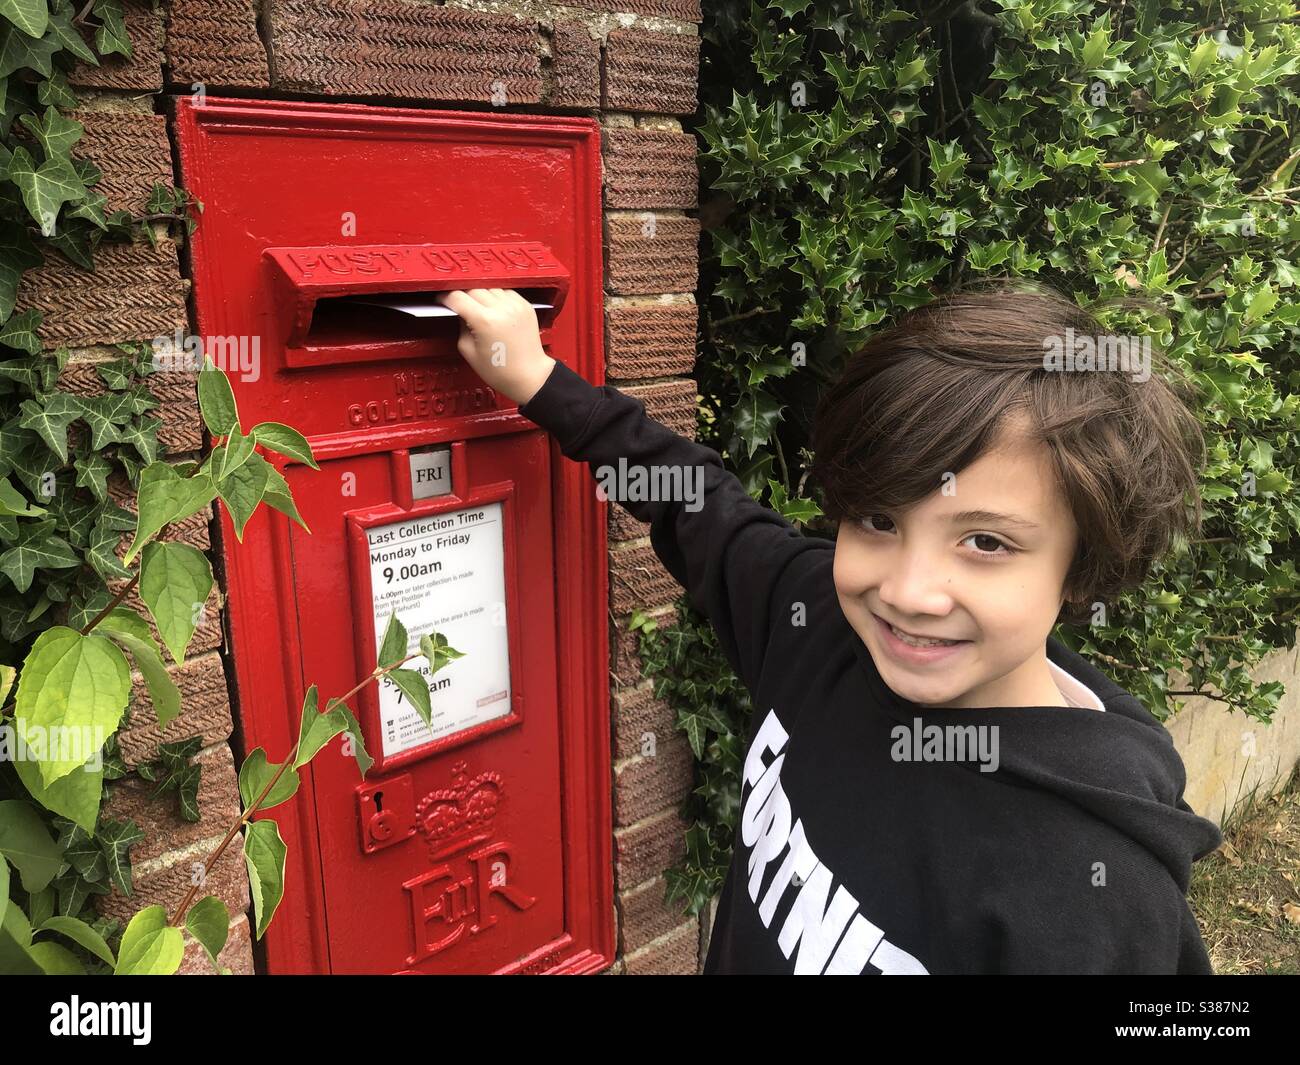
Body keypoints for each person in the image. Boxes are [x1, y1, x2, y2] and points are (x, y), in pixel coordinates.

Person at [435, 281, 1224, 975]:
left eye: (986, 542)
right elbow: (695, 499)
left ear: (1081, 565)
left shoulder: (1096, 890)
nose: (910, 592)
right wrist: (538, 381)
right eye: (878, 519)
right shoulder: (814, 622)